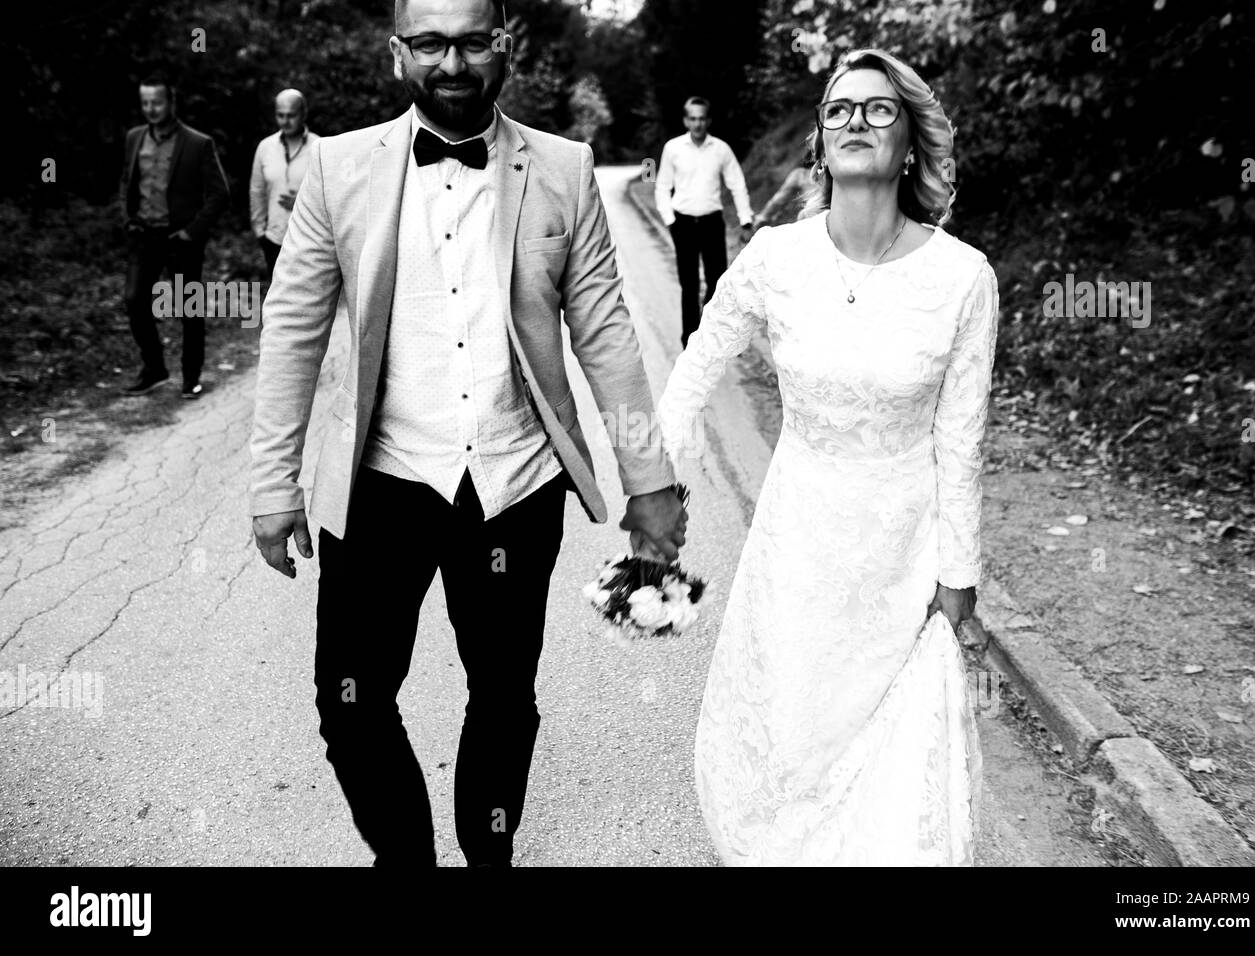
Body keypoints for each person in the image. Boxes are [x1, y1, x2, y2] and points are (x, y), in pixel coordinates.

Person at [248, 0, 686, 868]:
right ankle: (404, 858)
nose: (453, 63)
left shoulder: (564, 168)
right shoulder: (338, 170)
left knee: (504, 695)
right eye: (430, 43)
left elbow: (603, 331)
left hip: (516, 486)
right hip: (382, 481)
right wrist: (272, 483)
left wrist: (650, 480)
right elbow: (292, 330)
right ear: (396, 53)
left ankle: (491, 855)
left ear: (505, 47)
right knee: (352, 701)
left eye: (474, 41)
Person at [656, 48, 995, 865]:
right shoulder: (777, 258)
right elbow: (700, 360)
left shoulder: (963, 278)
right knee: (791, 738)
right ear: (819, 138)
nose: (855, 121)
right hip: (796, 544)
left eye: (879, 110)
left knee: (895, 768)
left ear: (909, 141)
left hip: (902, 558)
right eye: (838, 109)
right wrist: (662, 472)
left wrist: (959, 571)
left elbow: (963, 436)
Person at [119, 73, 230, 399]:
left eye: (157, 102)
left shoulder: (197, 143)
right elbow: (127, 180)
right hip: (144, 236)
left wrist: (192, 232)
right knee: (134, 300)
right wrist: (127, 218)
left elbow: (219, 194)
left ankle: (191, 377)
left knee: (188, 310)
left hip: (180, 239)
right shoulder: (134, 137)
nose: (151, 109)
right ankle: (154, 368)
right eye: (145, 103)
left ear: (171, 102)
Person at [654, 96, 754, 350]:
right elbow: (662, 186)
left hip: (711, 222)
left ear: (708, 120)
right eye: (693, 118)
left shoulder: (721, 149)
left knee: (717, 280)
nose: (697, 124)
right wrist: (670, 220)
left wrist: (745, 219)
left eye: (702, 118)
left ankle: (711, 334)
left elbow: (737, 183)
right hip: (683, 223)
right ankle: (689, 337)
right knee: (688, 283)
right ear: (686, 120)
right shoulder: (673, 148)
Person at [249, 88, 320, 276]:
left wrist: (301, 201)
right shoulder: (265, 147)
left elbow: (330, 194)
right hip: (273, 238)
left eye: (291, 115)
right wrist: (259, 231)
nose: (285, 121)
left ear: (303, 114)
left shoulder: (319, 147)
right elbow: (257, 190)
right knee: (276, 298)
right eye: (280, 115)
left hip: (309, 240)